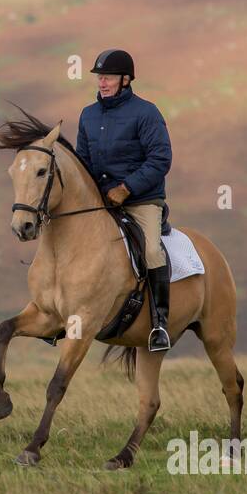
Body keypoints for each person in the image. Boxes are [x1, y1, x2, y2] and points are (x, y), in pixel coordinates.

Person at [75, 48, 173, 351]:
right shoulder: (88, 115)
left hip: (141, 200)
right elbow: (83, 163)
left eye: (108, 77)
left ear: (126, 79)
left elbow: (160, 159)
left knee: (152, 251)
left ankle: (159, 324)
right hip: (103, 201)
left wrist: (126, 188)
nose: (102, 83)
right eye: (100, 77)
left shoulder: (146, 113)